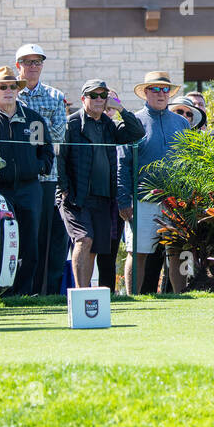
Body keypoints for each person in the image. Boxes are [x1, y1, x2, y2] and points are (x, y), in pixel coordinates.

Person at [58, 80, 145, 291]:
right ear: (83, 99)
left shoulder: (109, 126)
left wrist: (120, 108)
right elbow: (59, 159)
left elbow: (137, 133)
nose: (98, 99)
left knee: (94, 247)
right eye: (93, 95)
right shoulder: (71, 124)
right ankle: (80, 293)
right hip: (76, 196)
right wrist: (64, 189)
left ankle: (87, 294)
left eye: (102, 95)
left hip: (103, 196)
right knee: (84, 240)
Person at [119, 72, 190, 295]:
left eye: (165, 89)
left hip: (175, 201)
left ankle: (181, 298)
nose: (161, 94)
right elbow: (123, 163)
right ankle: (133, 299)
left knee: (177, 251)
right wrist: (123, 199)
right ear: (146, 92)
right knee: (137, 252)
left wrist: (188, 198)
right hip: (142, 200)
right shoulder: (134, 122)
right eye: (155, 89)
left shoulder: (181, 123)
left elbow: (190, 162)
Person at [0, 65, 53, 296]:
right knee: (1, 241)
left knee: (29, 242)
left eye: (12, 86)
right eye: (2, 86)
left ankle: (25, 292)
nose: (8, 90)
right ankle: (0, 292)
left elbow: (46, 152)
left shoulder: (33, 120)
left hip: (29, 189)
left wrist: (38, 167)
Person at [15, 43, 68, 294]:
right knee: (21, 234)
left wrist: (31, 127)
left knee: (45, 235)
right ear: (19, 65)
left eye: (37, 62)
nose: (33, 66)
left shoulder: (55, 96)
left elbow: (58, 134)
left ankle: (43, 291)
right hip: (16, 174)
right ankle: (17, 290)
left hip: (47, 174)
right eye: (28, 62)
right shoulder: (10, 92)